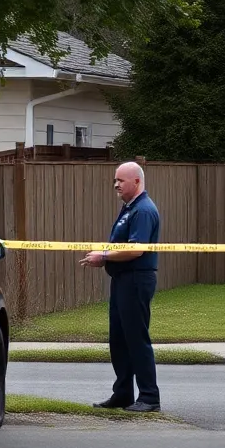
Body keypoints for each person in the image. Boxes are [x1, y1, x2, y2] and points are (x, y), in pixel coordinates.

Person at [79, 161, 162, 412]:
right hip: (122, 280)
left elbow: (135, 250)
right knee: (119, 339)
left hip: (136, 280)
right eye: (115, 180)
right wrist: (105, 257)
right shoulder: (129, 208)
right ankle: (123, 393)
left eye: (121, 180)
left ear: (136, 181)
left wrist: (103, 256)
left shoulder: (143, 210)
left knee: (136, 338)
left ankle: (149, 397)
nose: (116, 184)